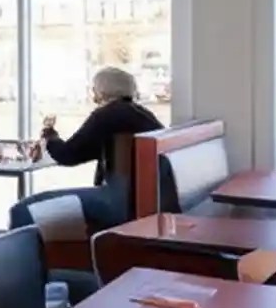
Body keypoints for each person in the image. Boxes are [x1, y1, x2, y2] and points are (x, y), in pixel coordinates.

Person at [10, 66, 164, 234]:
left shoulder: (106, 115)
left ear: (103, 91)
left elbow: (69, 155)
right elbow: (88, 149)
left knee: (22, 211)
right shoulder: (142, 114)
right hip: (151, 200)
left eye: (94, 87)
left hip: (121, 202)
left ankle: (17, 260)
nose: (92, 92)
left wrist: (49, 135)